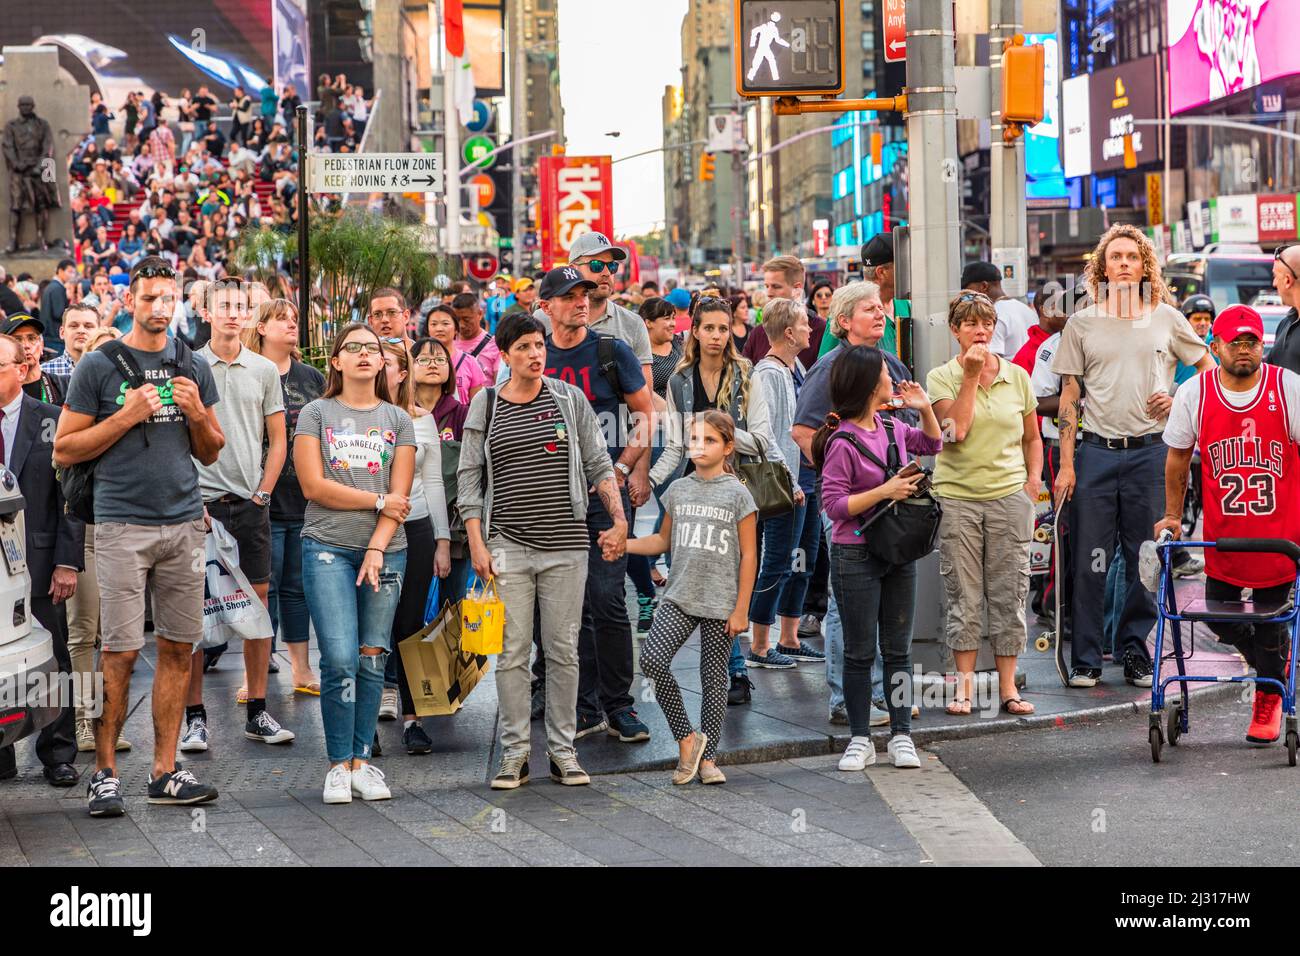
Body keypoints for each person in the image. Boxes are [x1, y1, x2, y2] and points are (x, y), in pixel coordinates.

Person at [56, 256, 225, 817]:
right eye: (149, 297)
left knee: (179, 647)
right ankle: (103, 773)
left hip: (182, 523)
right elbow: (65, 449)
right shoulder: (100, 365)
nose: (159, 307)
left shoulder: (191, 363)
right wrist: (126, 416)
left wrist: (198, 413)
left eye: (167, 298)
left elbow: (212, 449)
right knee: (120, 651)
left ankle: (164, 769)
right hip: (121, 524)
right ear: (130, 301)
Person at [459, 313, 623, 789]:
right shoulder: (486, 405)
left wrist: (618, 518)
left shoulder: (569, 399)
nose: (535, 354)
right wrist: (476, 541)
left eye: (539, 346)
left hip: (567, 547)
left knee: (563, 651)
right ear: (505, 355)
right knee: (511, 653)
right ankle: (514, 754)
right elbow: (469, 480)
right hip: (507, 543)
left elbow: (598, 461)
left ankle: (563, 750)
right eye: (525, 347)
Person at [1052, 224, 1214, 688]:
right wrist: (1066, 464)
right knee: (1090, 560)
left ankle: (1135, 650)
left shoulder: (1166, 317)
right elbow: (1068, 395)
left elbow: (1206, 369)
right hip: (1096, 454)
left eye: (1132, 257)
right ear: (1102, 267)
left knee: (1146, 557)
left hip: (1151, 453)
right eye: (1116, 256)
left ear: (1145, 266)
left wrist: (1179, 392)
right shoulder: (1082, 322)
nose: (1124, 263)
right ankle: (1085, 657)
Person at [1157, 305, 1300, 746]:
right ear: (1214, 346)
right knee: (1218, 617)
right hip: (1224, 539)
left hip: (1279, 539)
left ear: (1263, 346)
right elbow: (1178, 456)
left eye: (1251, 342)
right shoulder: (1195, 392)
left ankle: (1267, 699)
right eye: (1234, 342)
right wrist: (1173, 516)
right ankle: (1272, 662)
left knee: (1272, 618)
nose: (1244, 350)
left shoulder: (1288, 387)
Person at [294, 323, 415, 805]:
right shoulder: (316, 413)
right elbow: (313, 487)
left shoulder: (397, 419)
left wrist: (377, 546)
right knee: (340, 658)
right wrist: (377, 499)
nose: (366, 355)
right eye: (354, 348)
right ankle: (336, 764)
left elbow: (400, 500)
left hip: (386, 551)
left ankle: (362, 762)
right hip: (325, 546)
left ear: (384, 362)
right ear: (336, 361)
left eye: (374, 348)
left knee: (372, 655)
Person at [532, 266, 651, 744]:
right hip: (551, 500)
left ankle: (620, 705)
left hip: (604, 495)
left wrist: (622, 470)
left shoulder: (610, 350)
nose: (581, 302)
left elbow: (647, 415)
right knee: (564, 605)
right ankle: (582, 706)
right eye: (569, 296)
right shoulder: (532, 352)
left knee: (607, 598)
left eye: (585, 294)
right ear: (547, 306)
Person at [792, 280, 915, 725]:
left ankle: (883, 695)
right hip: (850, 507)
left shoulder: (892, 363)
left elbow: (913, 427)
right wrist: (841, 475)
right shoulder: (830, 368)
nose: (880, 314)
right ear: (844, 322)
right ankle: (847, 700)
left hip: (893, 505)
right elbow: (803, 431)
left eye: (882, 307)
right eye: (869, 309)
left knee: (885, 604)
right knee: (847, 604)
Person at [178, 277, 291, 754]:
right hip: (200, 509)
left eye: (240, 306)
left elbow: (278, 439)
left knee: (257, 610)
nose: (231, 313)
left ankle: (258, 712)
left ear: (249, 315)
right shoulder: (188, 366)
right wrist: (191, 502)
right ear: (206, 311)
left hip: (249, 507)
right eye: (222, 305)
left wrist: (263, 493)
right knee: (193, 616)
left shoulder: (264, 369)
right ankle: (195, 718)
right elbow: (178, 441)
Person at [816, 346, 942, 768]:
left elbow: (933, 442)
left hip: (898, 551)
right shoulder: (841, 441)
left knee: (898, 650)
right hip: (854, 554)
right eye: (886, 373)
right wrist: (886, 491)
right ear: (871, 385)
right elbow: (834, 506)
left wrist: (924, 408)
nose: (893, 377)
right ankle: (859, 738)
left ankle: (901, 735)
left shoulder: (892, 426)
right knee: (858, 651)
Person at [927, 292, 1042, 715]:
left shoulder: (1017, 376)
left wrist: (1032, 481)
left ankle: (1009, 687)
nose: (980, 331)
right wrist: (971, 378)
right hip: (958, 498)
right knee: (964, 594)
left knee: (1010, 591)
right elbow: (954, 431)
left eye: (987, 323)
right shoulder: (941, 377)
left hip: (1010, 496)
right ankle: (965, 690)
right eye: (971, 324)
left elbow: (1032, 437)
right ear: (955, 331)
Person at [632, 411, 757, 786]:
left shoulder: (738, 493)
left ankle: (709, 758)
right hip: (679, 595)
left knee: (713, 678)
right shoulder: (678, 490)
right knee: (653, 659)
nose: (699, 447)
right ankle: (687, 739)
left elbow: (749, 554)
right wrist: (624, 544)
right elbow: (661, 541)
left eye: (710, 440)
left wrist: (741, 609)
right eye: (695, 439)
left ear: (728, 447)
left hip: (721, 601)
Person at [0, 334, 86, 788]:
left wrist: (67, 562)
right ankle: (2, 753)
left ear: (21, 368)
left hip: (37, 560)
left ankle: (58, 752)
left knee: (51, 657)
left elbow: (69, 498)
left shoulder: (52, 420)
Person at [240, 298, 323, 695]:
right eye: (281, 319)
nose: (292, 324)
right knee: (260, 586)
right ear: (260, 327)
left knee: (296, 585)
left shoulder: (312, 378)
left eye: (294, 318)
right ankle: (253, 671)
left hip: (305, 497)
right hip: (258, 496)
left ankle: (302, 669)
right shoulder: (249, 373)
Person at [377, 340, 451, 755]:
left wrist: (442, 540)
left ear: (403, 373)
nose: (375, 365)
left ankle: (413, 719)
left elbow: (436, 482)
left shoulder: (423, 420)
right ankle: (363, 721)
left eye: (386, 362)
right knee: (368, 629)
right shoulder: (350, 417)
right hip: (366, 529)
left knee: (410, 627)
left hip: (417, 527)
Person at [747, 298, 823, 667]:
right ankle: (761, 644)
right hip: (785, 483)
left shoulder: (797, 368)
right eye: (805, 324)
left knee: (802, 561)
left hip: (807, 480)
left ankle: (790, 638)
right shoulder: (769, 373)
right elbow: (768, 434)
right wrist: (791, 480)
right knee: (777, 561)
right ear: (789, 333)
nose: (811, 329)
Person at [411, 336, 472, 603]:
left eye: (439, 359)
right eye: (423, 359)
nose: (433, 365)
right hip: (412, 519)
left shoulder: (463, 413)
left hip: (455, 523)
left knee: (453, 606)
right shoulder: (399, 413)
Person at [744, 256, 825, 369]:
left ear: (797, 289)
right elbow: (745, 379)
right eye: (767, 286)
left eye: (776, 287)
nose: (769, 293)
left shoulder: (821, 330)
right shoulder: (758, 333)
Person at [960, 261, 1037, 360]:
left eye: (969, 290)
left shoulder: (992, 316)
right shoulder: (1027, 310)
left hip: (1008, 375)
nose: (967, 296)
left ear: (984, 286)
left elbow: (991, 363)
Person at [426, 304, 486, 404]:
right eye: (434, 324)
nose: (439, 328)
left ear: (456, 329)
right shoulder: (418, 360)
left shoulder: (470, 362)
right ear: (428, 329)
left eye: (445, 323)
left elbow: (477, 406)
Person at [5, 315, 63, 405]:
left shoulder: (64, 386)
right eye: (17, 340)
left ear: (42, 345)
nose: (26, 345)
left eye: (32, 338)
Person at [42, 302, 98, 391]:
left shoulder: (109, 371)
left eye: (88, 326)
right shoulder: (44, 372)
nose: (81, 330)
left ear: (99, 333)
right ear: (62, 332)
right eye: (74, 326)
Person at [450, 291, 500, 381]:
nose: (461, 325)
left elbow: (499, 384)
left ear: (480, 314)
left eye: (466, 319)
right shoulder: (448, 342)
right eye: (456, 319)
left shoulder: (495, 345)